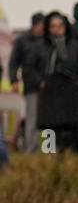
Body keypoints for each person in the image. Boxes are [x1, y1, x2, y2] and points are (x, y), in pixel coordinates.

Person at [28, 11, 78, 158]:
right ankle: (49, 162)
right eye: (53, 26)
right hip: (49, 93)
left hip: (72, 91)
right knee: (49, 130)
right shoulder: (39, 47)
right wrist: (40, 82)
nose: (56, 30)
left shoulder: (75, 46)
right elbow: (29, 68)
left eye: (60, 26)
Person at [9, 12, 46, 153]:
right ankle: (31, 148)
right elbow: (14, 61)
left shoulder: (49, 40)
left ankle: (48, 148)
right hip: (31, 86)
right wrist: (14, 80)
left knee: (50, 119)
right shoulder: (23, 41)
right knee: (32, 117)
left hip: (49, 87)